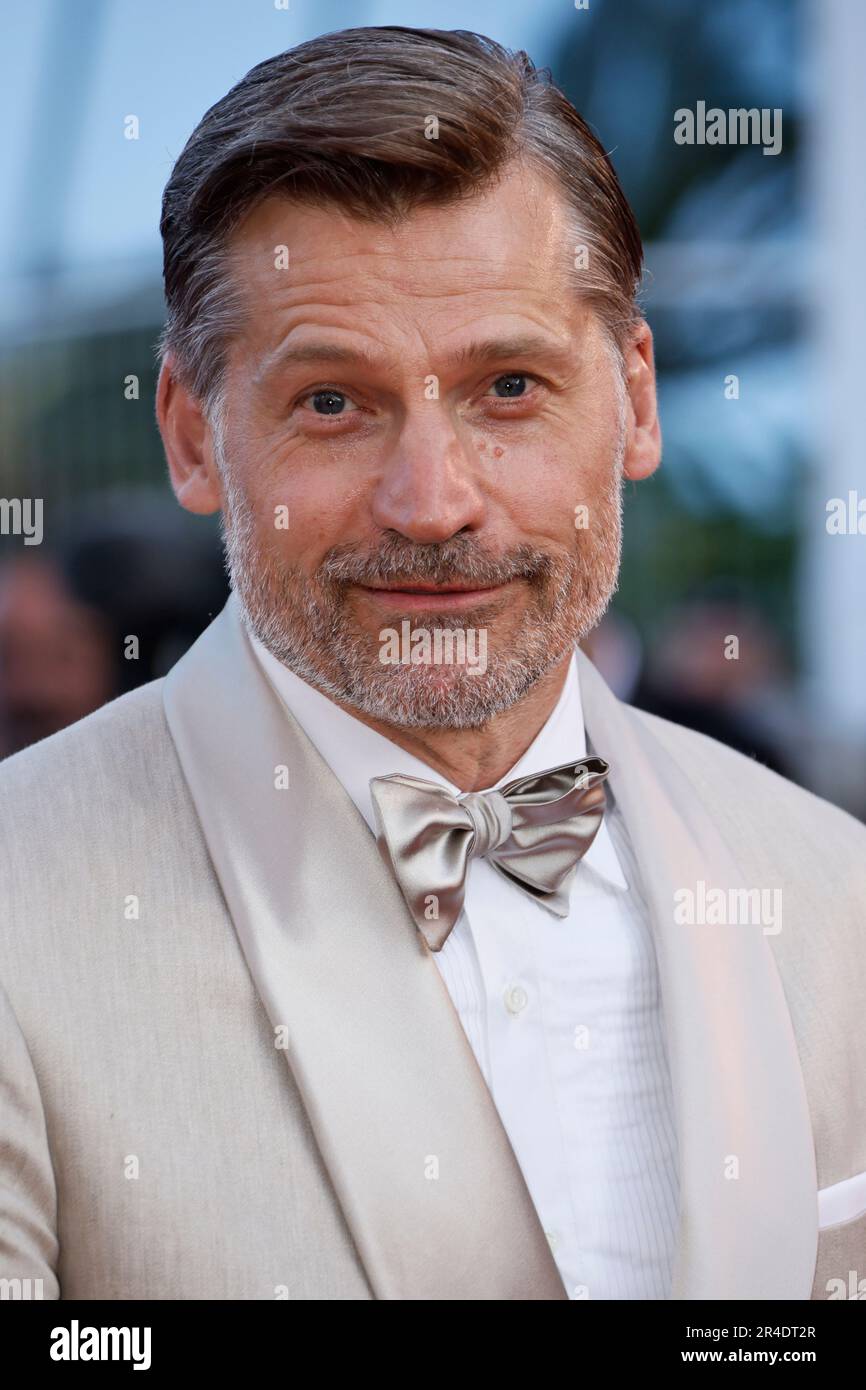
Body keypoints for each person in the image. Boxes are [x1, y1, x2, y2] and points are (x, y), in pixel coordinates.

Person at [1, 26, 864, 1303]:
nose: (432, 502)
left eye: (508, 385)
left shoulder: (833, 895)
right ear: (192, 439)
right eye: (333, 403)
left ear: (634, 400)